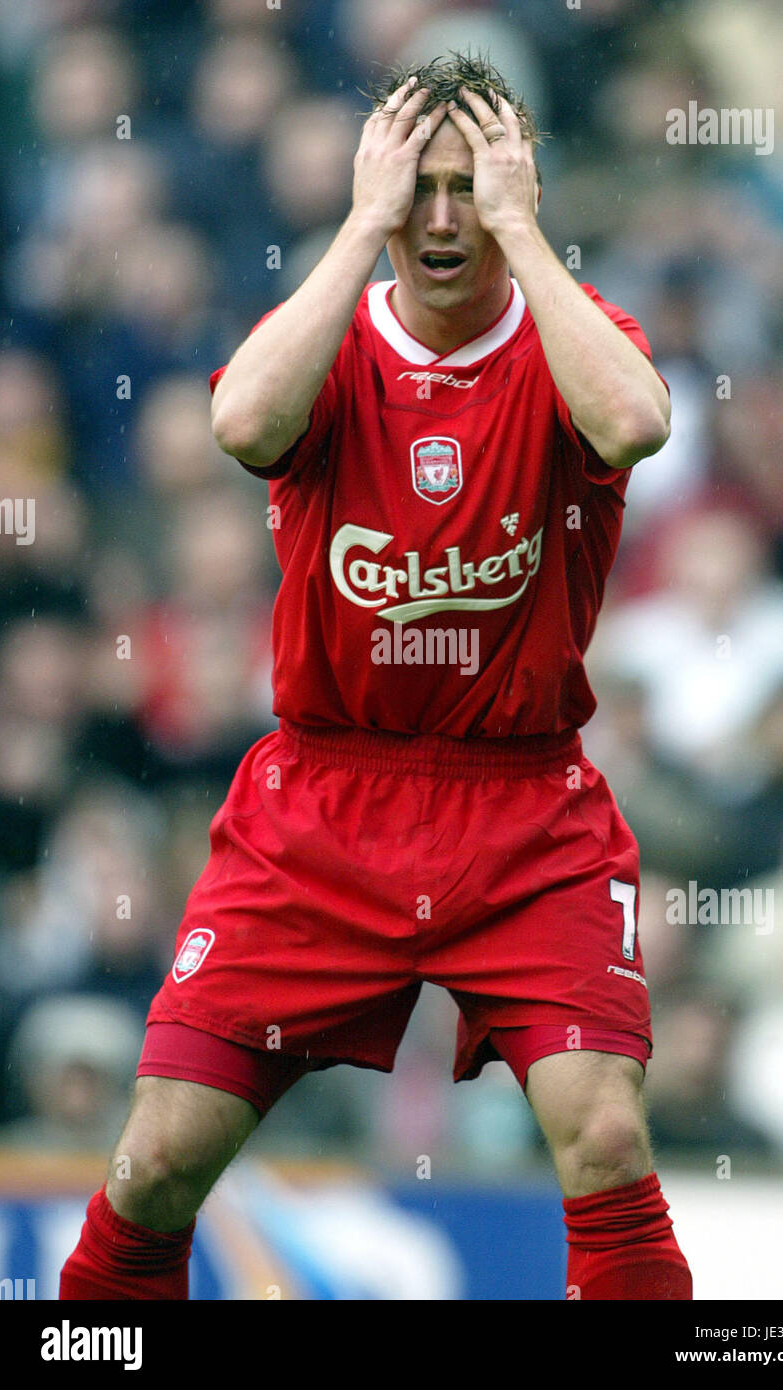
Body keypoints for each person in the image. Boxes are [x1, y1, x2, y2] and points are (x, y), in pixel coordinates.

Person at [60, 53, 691, 1301]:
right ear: (375, 187)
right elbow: (242, 425)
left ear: (519, 188)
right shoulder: (325, 338)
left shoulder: (575, 341)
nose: (442, 217)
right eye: (418, 186)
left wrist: (523, 231)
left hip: (523, 807)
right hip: (322, 807)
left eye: (472, 187)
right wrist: (358, 226)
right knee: (154, 1165)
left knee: (607, 1138)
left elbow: (633, 425)